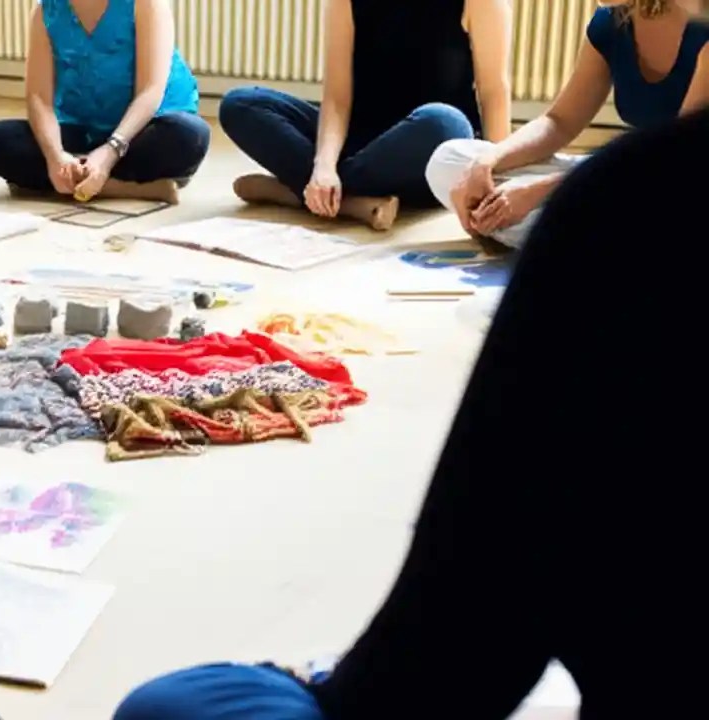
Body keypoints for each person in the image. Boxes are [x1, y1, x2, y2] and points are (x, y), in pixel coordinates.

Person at [114, 26, 709, 720]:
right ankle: (339, 187)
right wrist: (484, 169)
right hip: (374, 149)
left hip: (441, 143)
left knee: (161, 708)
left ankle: (332, 188)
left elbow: (454, 649)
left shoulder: (640, 203)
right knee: (391, 140)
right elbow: (536, 120)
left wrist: (532, 191)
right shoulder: (621, 76)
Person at [428, 0, 709, 248]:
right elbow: (558, 121)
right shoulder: (611, 22)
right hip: (628, 179)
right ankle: (574, 244)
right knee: (450, 160)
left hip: (675, 188)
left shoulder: (703, 27)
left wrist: (538, 194)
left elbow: (671, 162)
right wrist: (488, 162)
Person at [220, 0, 514, 231]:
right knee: (240, 104)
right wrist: (323, 166)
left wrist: (497, 177)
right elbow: (336, 98)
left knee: (445, 122)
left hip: (430, 155)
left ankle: (295, 191)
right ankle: (351, 201)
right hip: (360, 143)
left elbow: (493, 91)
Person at [0, 0, 211, 204]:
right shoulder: (45, 11)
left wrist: (109, 153)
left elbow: (150, 91)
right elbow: (39, 98)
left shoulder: (146, 3)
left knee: (189, 134)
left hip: (144, 126)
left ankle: (84, 178)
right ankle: (119, 187)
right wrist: (55, 157)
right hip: (85, 127)